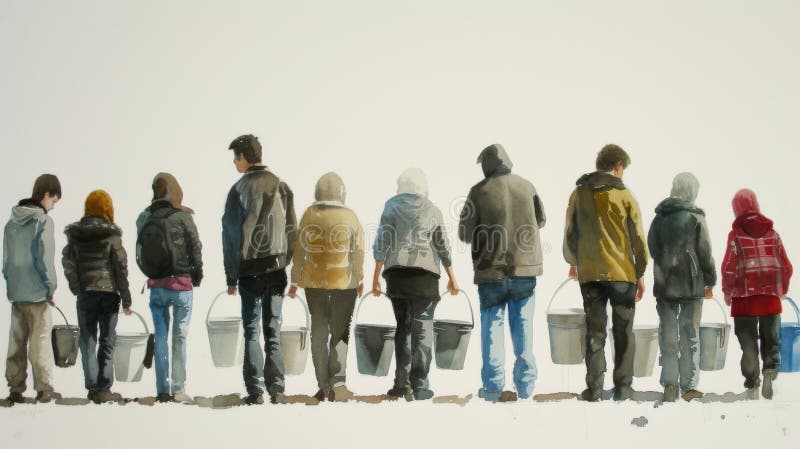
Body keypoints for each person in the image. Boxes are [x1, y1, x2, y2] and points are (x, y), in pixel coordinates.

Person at [458, 144, 546, 402]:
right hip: (525, 270)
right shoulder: (527, 186)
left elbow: (464, 234)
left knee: (492, 328)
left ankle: (494, 388)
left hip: (490, 272)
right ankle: (526, 387)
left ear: (486, 164)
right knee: (524, 328)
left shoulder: (477, 191)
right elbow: (541, 221)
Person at [563, 144, 648, 402]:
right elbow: (638, 241)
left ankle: (595, 388)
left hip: (590, 274)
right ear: (618, 166)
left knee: (595, 331)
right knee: (623, 333)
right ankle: (623, 388)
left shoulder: (578, 194)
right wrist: (641, 272)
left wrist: (574, 261)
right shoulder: (625, 196)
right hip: (623, 274)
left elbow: (569, 234)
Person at [222, 134, 297, 405]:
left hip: (248, 270)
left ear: (244, 158)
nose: (234, 163)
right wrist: (285, 260)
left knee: (252, 329)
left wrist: (231, 275)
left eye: (235, 158)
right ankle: (277, 389)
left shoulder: (237, 190)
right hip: (276, 268)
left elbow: (230, 237)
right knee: (273, 329)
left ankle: (255, 391)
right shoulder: (282, 186)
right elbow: (292, 229)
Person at [372, 168, 458, 401]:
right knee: (423, 329)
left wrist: (375, 278)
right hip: (425, 276)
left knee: (403, 328)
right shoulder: (433, 209)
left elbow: (382, 242)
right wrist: (451, 277)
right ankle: (420, 385)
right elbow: (442, 246)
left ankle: (401, 384)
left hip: (396, 276)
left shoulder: (390, 206)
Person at [288, 172, 364, 402]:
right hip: (344, 284)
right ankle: (338, 383)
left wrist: (294, 280)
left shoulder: (309, 215)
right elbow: (357, 252)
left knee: (319, 332)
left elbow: (299, 252)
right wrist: (359, 277)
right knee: (339, 332)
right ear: (341, 193)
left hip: (314, 283)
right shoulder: (351, 217)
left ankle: (323, 385)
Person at [648, 172, 716, 402]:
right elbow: (705, 252)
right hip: (691, 284)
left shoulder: (659, 217)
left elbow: (652, 247)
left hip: (665, 284)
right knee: (690, 335)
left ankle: (669, 384)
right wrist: (710, 281)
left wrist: (666, 264)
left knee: (667, 334)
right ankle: (688, 386)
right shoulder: (696, 217)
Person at [136, 173, 203, 403]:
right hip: (182, 285)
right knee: (180, 337)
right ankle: (179, 389)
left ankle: (162, 390)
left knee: (161, 336)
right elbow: (196, 247)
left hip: (156, 286)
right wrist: (198, 275)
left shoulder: (144, 217)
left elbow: (142, 244)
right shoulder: (184, 217)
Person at [62, 189, 133, 404]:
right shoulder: (113, 236)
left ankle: (92, 386)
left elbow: (68, 263)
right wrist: (127, 298)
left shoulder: (75, 235)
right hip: (110, 294)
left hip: (86, 293)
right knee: (107, 341)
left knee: (88, 340)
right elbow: (121, 268)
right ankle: (105, 386)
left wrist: (77, 287)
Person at [721, 189, 792, 400]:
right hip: (770, 299)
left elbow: (728, 268)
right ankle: (770, 370)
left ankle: (752, 381)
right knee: (771, 340)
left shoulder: (735, 235)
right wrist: (781, 289)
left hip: (744, 300)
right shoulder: (773, 234)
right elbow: (786, 266)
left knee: (747, 341)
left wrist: (727, 292)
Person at [3, 174, 61, 404]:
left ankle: (15, 388)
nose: (53, 207)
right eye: (54, 201)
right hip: (37, 293)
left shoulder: (10, 222)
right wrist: (51, 287)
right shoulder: (43, 221)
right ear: (46, 195)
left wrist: (11, 283)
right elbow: (45, 259)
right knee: (40, 341)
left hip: (16, 292)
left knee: (16, 341)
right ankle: (44, 388)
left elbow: (6, 261)